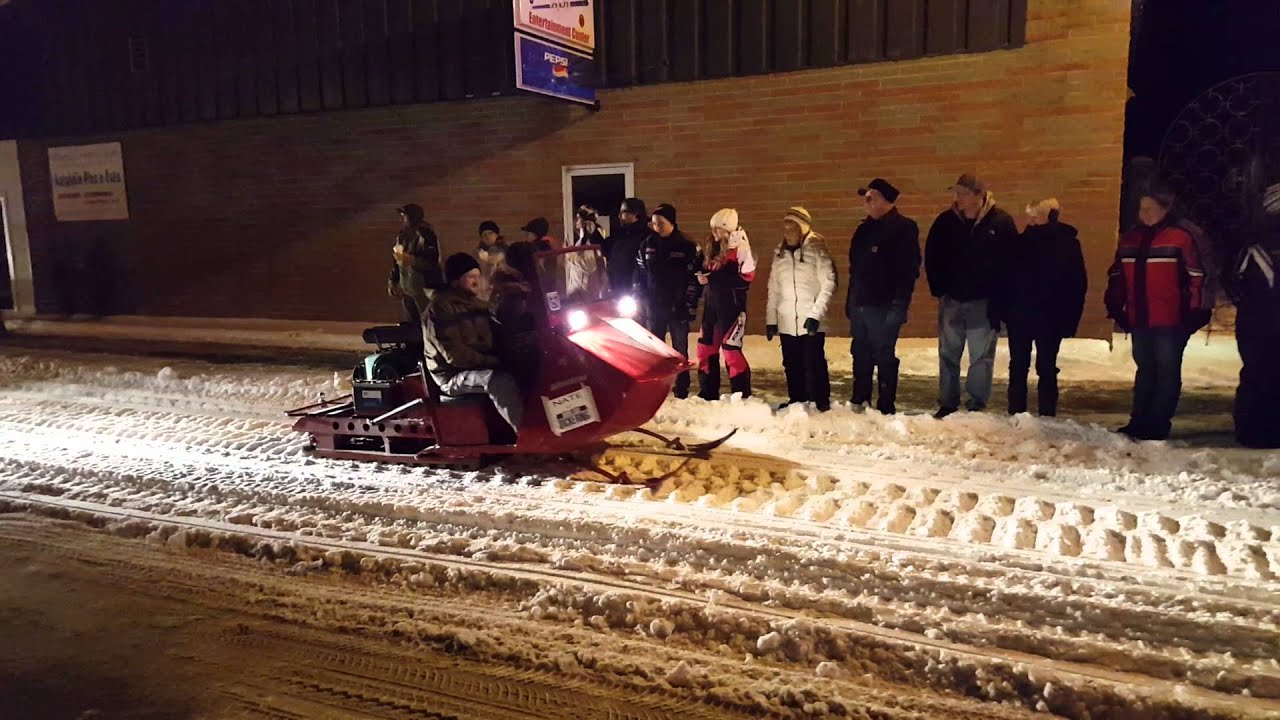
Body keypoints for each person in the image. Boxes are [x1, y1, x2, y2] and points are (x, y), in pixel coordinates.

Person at [1104, 184, 1209, 441]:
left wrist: (1195, 310)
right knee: (1145, 370)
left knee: (1167, 371)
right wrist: (1115, 305)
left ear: (1165, 209)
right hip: (1140, 318)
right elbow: (1117, 275)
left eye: (1151, 208)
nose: (1145, 213)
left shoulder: (1181, 237)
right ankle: (1139, 420)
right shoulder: (1131, 238)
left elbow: (1198, 276)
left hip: (1171, 319)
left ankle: (1158, 424)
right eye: (1142, 208)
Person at [925, 174, 1018, 418]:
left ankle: (976, 403)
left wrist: (1001, 299)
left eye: (963, 193)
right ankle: (948, 401)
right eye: (956, 193)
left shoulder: (1000, 222)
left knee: (981, 356)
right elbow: (932, 255)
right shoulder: (946, 222)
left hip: (983, 301)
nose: (958, 198)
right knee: (948, 353)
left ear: (979, 195)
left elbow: (1011, 262)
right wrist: (940, 288)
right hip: (952, 299)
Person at [989, 198, 1087, 416]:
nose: (1032, 220)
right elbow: (1003, 278)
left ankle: (1031, 412)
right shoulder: (1025, 243)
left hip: (1039, 315)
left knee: (1034, 365)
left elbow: (1076, 283)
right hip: (1033, 315)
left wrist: (1071, 318)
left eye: (1036, 215)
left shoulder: (1060, 243)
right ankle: (1029, 412)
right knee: (1032, 365)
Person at [422, 253, 523, 441]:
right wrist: (495, 362)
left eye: (477, 275)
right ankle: (526, 435)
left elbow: (499, 332)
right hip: (452, 375)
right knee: (499, 381)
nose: (476, 281)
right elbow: (455, 356)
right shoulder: (440, 309)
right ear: (455, 281)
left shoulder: (475, 303)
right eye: (470, 276)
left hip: (478, 366)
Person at [848, 180, 921, 415]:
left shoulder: (904, 229)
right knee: (860, 352)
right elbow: (855, 269)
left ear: (886, 201)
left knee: (884, 353)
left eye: (872, 198)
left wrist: (899, 305)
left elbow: (908, 271)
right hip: (861, 304)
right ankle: (860, 398)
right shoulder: (863, 230)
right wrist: (852, 301)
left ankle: (886, 404)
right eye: (866, 198)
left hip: (885, 305)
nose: (867, 203)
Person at [765, 206, 837, 411]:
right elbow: (774, 288)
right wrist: (771, 320)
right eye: (785, 229)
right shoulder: (779, 254)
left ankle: (820, 401)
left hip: (810, 318)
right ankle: (797, 399)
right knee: (792, 363)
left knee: (813, 362)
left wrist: (816, 315)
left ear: (802, 228)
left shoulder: (817, 249)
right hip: (788, 319)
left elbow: (829, 283)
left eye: (792, 229)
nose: (787, 234)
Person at [1226, 183, 1280, 448]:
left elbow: (1234, 284)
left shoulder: (1252, 245)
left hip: (1255, 324)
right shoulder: (1254, 247)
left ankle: (1252, 430)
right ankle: (1262, 430)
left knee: (1256, 376)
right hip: (1259, 324)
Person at [636, 203, 702, 398]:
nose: (657, 227)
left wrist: (690, 302)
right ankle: (656, 387)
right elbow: (639, 273)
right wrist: (640, 296)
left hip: (678, 307)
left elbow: (695, 277)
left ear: (672, 223)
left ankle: (681, 388)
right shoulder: (647, 245)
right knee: (655, 350)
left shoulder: (687, 246)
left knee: (679, 349)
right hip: (653, 307)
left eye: (661, 223)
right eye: (654, 223)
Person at [696, 208, 756, 400]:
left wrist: (716, 277)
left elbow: (746, 279)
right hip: (712, 305)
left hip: (732, 307)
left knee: (730, 349)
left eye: (718, 229)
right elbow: (708, 271)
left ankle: (741, 394)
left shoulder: (741, 248)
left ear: (728, 230)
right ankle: (708, 392)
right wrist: (703, 278)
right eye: (713, 229)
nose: (714, 233)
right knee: (705, 347)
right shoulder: (712, 247)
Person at [387, 203, 443, 323]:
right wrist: (393, 280)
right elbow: (397, 261)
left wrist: (412, 260)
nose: (403, 219)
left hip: (423, 288)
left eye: (405, 216)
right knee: (411, 322)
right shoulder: (403, 235)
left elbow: (432, 261)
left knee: (427, 321)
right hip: (407, 286)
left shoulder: (426, 234)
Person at [608, 198, 649, 293]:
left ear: (635, 214)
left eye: (624, 212)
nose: (619, 216)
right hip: (616, 289)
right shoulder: (620, 235)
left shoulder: (647, 237)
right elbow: (604, 249)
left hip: (635, 292)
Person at [476, 220, 507, 301]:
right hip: (484, 293)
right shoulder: (478, 254)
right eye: (484, 234)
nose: (487, 236)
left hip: (502, 292)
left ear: (496, 234)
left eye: (490, 233)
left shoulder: (506, 251)